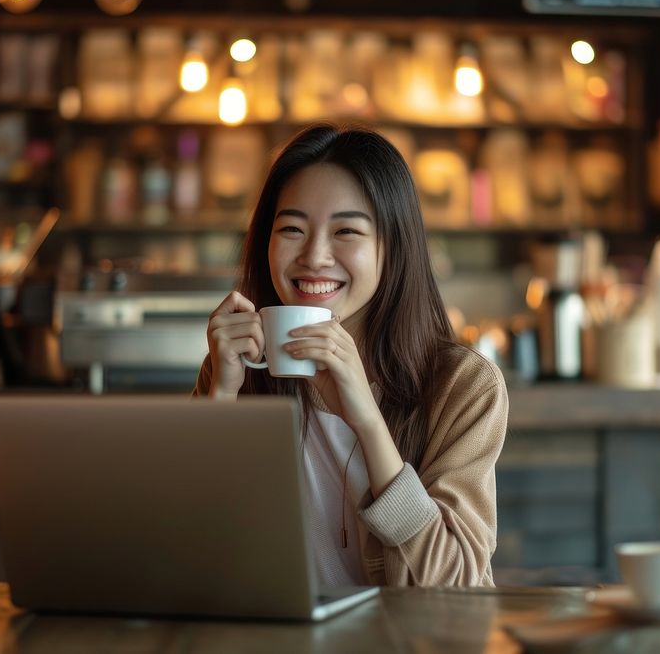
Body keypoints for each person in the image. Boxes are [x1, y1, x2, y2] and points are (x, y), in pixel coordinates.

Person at [193, 124, 508, 587]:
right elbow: (189, 547)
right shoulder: (238, 370)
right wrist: (219, 396)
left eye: (346, 231)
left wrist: (367, 421)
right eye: (293, 229)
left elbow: (457, 584)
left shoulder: (464, 387)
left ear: (392, 247)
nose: (315, 255)